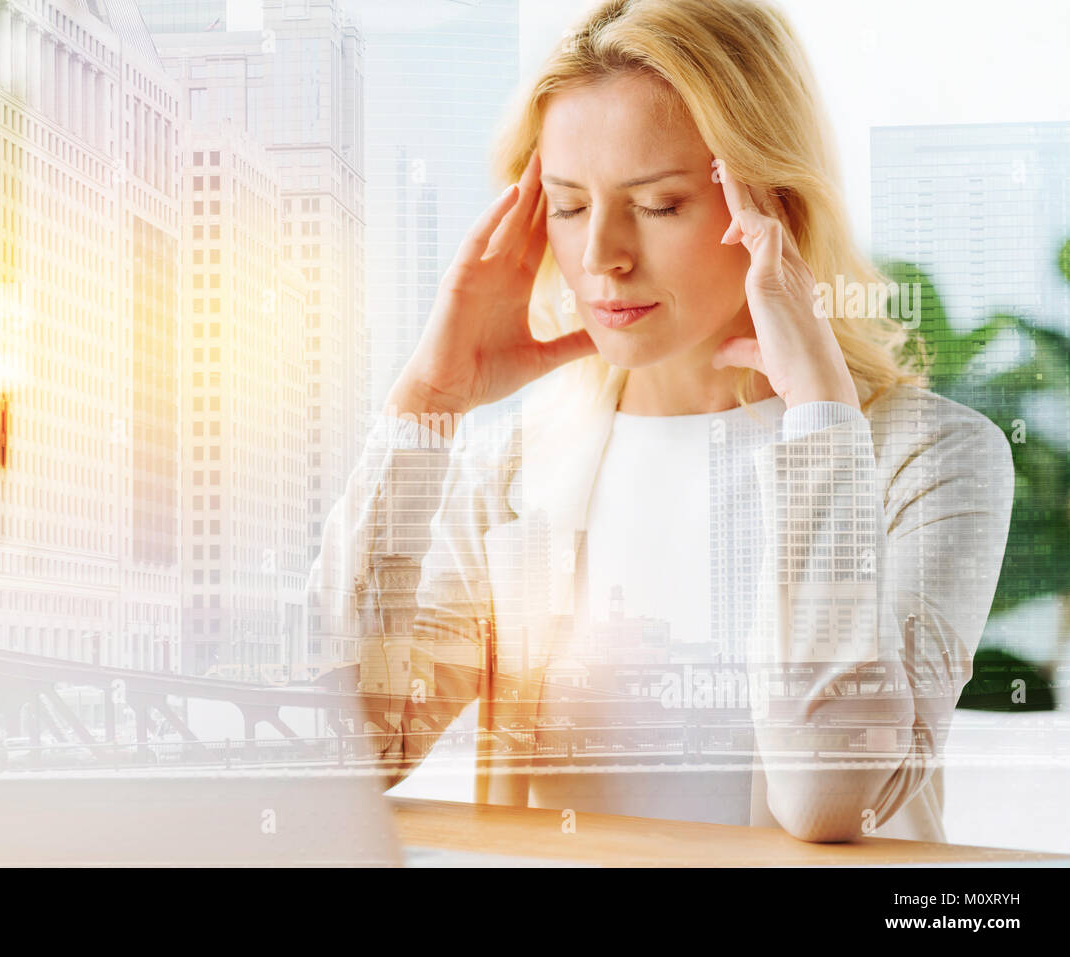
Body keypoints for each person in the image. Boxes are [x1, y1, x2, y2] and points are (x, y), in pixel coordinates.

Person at [308, 0, 1014, 843]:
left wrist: (822, 419)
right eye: (568, 206)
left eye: (660, 203)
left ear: (776, 206)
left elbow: (828, 797)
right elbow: (343, 747)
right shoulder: (516, 472)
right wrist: (423, 405)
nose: (603, 253)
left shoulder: (931, 458)